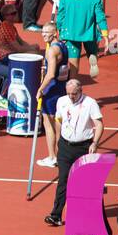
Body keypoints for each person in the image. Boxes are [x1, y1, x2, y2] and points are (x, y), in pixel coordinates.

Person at [44, 78, 102, 227]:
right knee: (63, 180)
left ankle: (83, 212)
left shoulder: (90, 103)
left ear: (80, 91)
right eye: (69, 93)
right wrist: (58, 140)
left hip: (83, 147)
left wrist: (95, 143)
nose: (71, 96)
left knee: (83, 182)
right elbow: (58, 120)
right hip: (65, 146)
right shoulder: (62, 101)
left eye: (74, 94)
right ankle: (56, 214)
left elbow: (99, 124)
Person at [56, 0, 109, 79]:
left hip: (71, 34)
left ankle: (73, 84)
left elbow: (60, 16)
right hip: (89, 34)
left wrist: (60, 31)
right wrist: (105, 36)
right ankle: (92, 56)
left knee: (73, 65)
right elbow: (100, 18)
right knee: (92, 50)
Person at [34, 23, 70, 168]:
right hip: (61, 87)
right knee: (60, 123)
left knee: (49, 124)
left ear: (55, 33)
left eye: (47, 32)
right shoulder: (63, 46)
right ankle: (61, 156)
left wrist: (40, 89)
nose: (43, 35)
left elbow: (50, 75)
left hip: (52, 89)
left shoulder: (51, 51)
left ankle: (52, 156)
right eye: (42, 32)